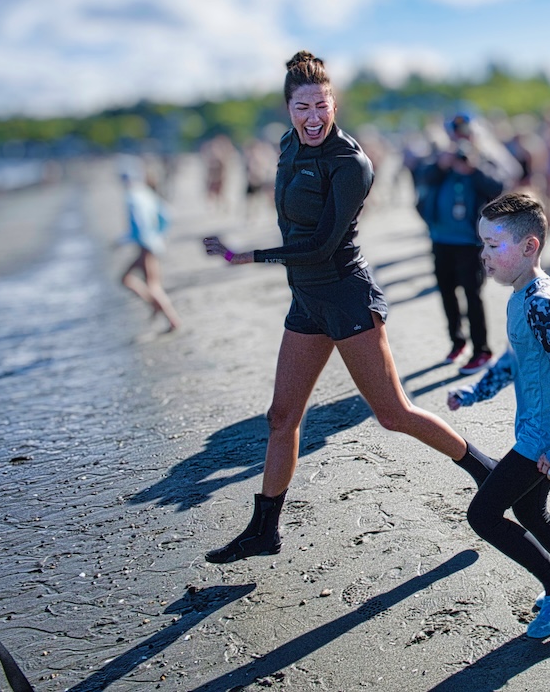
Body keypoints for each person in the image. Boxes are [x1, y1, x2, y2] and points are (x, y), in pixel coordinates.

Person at [200, 51, 496, 564]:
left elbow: (319, 245)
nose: (312, 117)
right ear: (288, 108)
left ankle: (487, 474)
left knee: (393, 413)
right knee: (281, 416)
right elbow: (291, 226)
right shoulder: (288, 147)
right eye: (301, 107)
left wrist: (244, 255)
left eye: (321, 105)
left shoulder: (351, 164)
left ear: (334, 103)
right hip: (306, 302)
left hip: (345, 295)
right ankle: (265, 529)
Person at [447, 192, 550, 639]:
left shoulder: (540, 303)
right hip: (538, 429)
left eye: (494, 246)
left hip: (545, 437)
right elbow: (519, 358)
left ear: (529, 246)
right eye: (482, 244)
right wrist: (477, 391)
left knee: (484, 515)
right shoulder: (523, 294)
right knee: (531, 512)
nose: (483, 256)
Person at [415, 134, 504, 373]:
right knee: (446, 293)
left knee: (472, 296)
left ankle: (482, 351)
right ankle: (457, 342)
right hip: (441, 241)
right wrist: (442, 164)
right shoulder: (438, 171)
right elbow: (424, 178)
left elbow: (497, 188)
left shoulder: (477, 172)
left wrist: (473, 169)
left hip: (469, 244)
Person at [119, 161, 181, 332]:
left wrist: (125, 240)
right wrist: (159, 234)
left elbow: (139, 225)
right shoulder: (145, 192)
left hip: (146, 246)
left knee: (153, 285)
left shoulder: (132, 196)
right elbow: (166, 215)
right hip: (152, 243)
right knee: (126, 278)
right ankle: (156, 307)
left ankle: (172, 319)